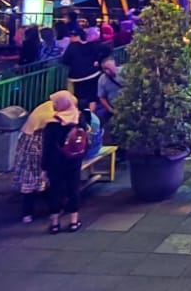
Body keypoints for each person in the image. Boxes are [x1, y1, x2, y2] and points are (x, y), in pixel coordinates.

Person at [40, 91, 87, 234]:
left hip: (56, 162)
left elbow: (47, 147)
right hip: (74, 159)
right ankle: (74, 221)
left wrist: (44, 167)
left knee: (55, 190)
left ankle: (54, 223)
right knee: (73, 188)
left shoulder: (52, 124)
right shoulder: (79, 118)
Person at [12, 102, 52, 224]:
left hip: (26, 159)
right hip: (37, 157)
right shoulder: (49, 119)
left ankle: (27, 214)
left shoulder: (27, 133)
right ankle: (52, 210)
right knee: (41, 183)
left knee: (28, 186)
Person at [63, 28, 102, 112]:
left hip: (77, 77)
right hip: (93, 74)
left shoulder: (72, 47)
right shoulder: (92, 45)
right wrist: (97, 61)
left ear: (77, 37)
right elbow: (102, 51)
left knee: (77, 98)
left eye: (72, 36)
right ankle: (92, 118)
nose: (70, 38)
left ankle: (79, 117)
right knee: (92, 97)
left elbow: (64, 60)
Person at [94, 51, 122, 131]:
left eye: (109, 68)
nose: (108, 71)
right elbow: (101, 97)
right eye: (105, 69)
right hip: (114, 107)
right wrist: (110, 109)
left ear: (114, 64)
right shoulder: (102, 80)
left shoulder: (124, 72)